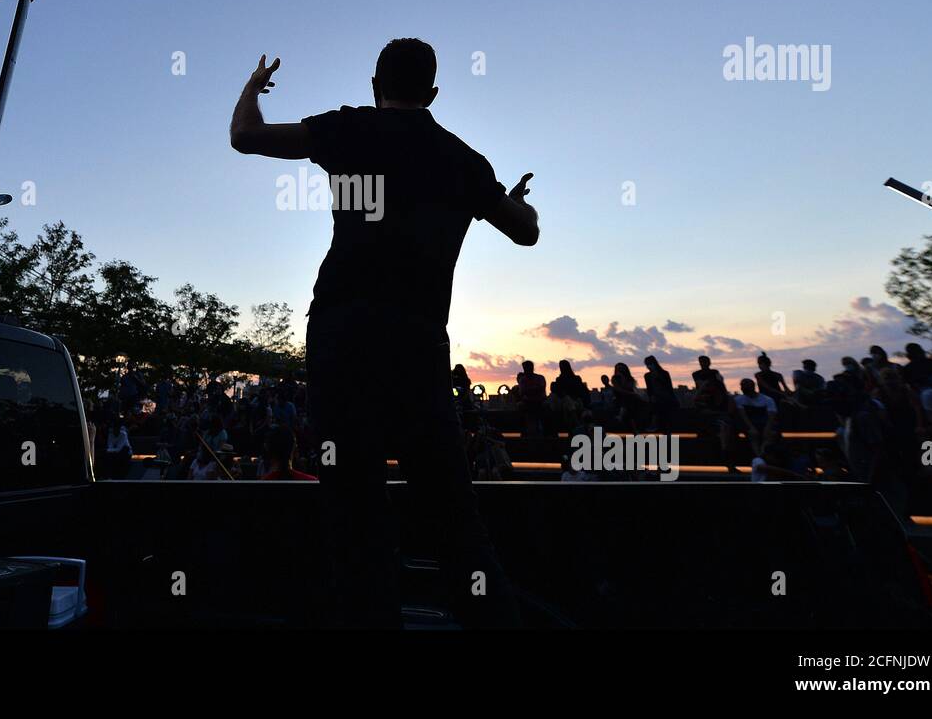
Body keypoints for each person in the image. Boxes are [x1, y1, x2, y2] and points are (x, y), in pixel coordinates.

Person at [230, 40, 536, 627]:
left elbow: (245, 135)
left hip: (342, 338)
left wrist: (253, 86)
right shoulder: (464, 161)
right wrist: (510, 203)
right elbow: (525, 233)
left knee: (353, 509)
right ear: (434, 93)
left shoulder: (347, 131)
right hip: (419, 342)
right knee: (453, 513)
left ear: (375, 85)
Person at [734, 378, 778, 457]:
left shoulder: (767, 399)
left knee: (770, 434)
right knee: (752, 434)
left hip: (764, 423)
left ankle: (762, 453)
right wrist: (751, 427)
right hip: (749, 425)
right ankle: (759, 456)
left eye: (745, 386)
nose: (742, 388)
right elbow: (743, 416)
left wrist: (767, 428)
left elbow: (772, 416)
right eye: (742, 386)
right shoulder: (738, 400)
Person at [642, 356, 679, 433]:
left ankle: (659, 427)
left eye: (649, 364)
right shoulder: (647, 376)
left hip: (665, 397)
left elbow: (668, 387)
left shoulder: (664, 373)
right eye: (647, 364)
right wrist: (651, 397)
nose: (648, 366)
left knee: (662, 410)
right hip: (656, 397)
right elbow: (649, 389)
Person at [612, 362, 648, 431]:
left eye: (621, 368)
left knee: (631, 402)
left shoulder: (630, 378)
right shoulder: (615, 378)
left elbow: (630, 387)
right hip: (621, 397)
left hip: (631, 397)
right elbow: (619, 389)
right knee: (627, 399)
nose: (620, 370)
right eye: (618, 368)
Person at [518, 359, 549, 437]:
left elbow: (541, 389)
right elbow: (522, 392)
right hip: (528, 403)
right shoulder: (523, 380)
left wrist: (529, 391)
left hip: (540, 401)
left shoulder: (540, 378)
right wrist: (534, 390)